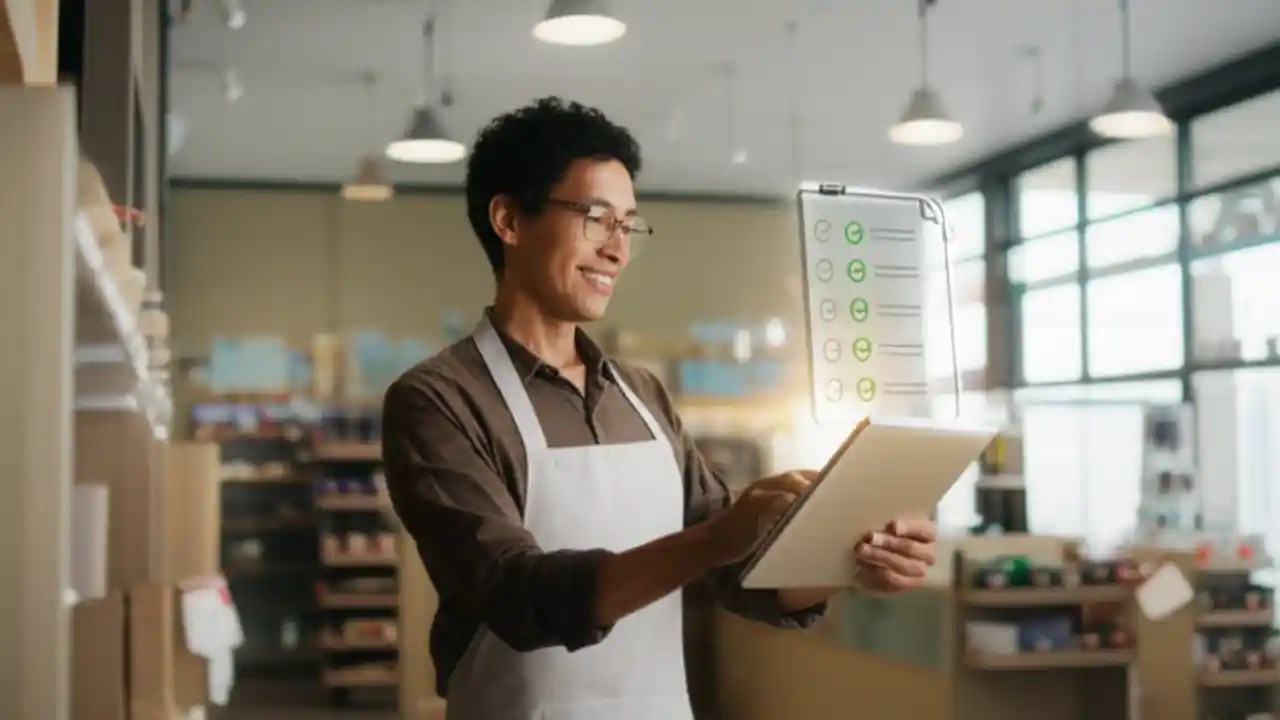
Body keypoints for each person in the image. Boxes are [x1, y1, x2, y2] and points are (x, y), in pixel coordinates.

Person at [381, 96, 938, 720]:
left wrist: (850, 557)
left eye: (628, 225)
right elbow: (516, 594)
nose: (618, 249)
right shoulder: (437, 399)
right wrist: (717, 537)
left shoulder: (640, 395)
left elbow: (739, 573)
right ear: (508, 220)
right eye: (595, 218)